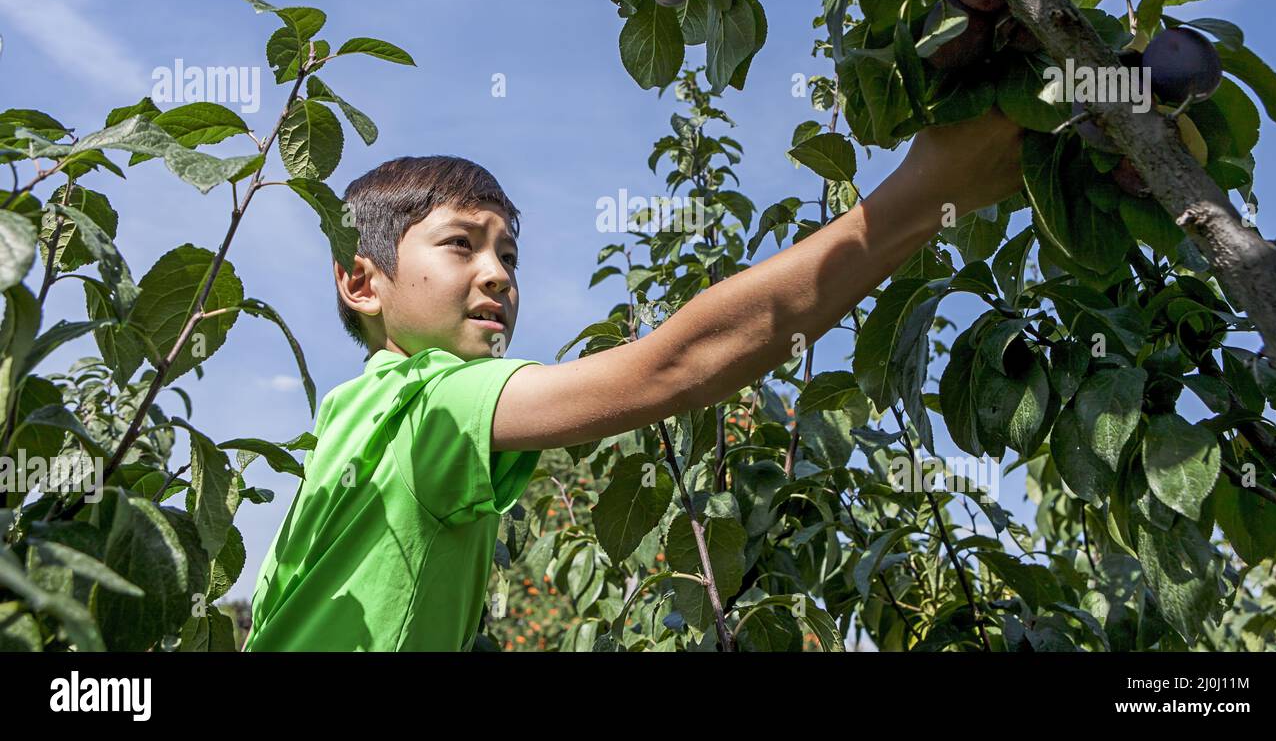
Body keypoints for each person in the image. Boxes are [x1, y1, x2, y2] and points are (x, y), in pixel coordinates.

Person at [242, 107, 1024, 651]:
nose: (497, 275)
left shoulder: (346, 422)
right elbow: (677, 366)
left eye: (508, 255)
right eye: (460, 245)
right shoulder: (430, 401)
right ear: (362, 283)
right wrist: (923, 195)